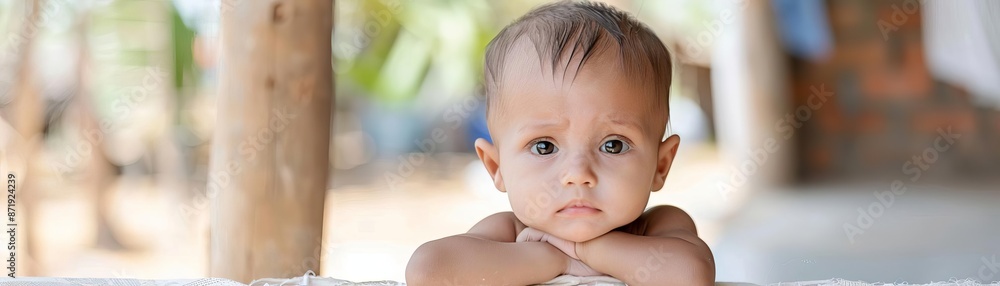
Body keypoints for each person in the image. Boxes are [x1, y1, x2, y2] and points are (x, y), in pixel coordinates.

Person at [406, 1, 715, 285]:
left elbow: (690, 274)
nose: (578, 174)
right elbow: (428, 270)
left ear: (660, 165)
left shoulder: (659, 227)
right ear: (496, 166)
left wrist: (582, 250)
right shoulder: (507, 233)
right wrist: (551, 257)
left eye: (613, 145)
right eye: (544, 146)